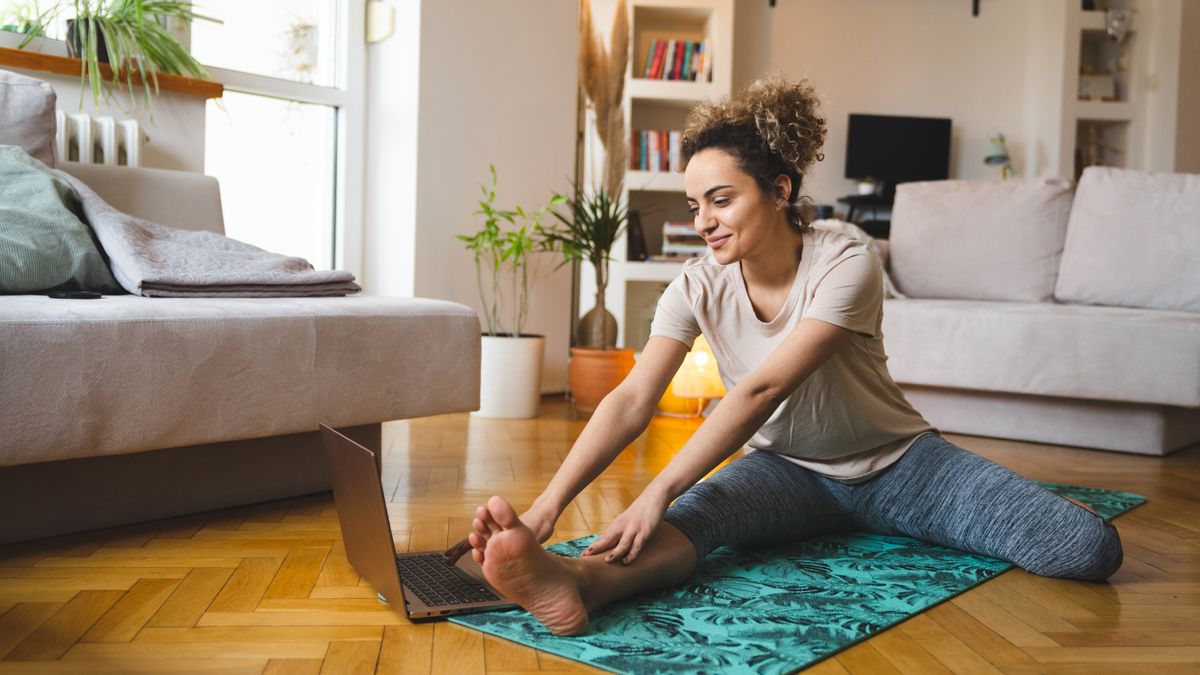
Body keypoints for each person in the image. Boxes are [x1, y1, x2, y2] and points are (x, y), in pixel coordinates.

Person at [447, 76, 1124, 637]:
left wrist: (656, 488)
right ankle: (577, 584)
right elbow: (630, 399)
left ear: (779, 190)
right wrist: (545, 510)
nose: (703, 219)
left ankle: (1036, 504)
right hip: (787, 471)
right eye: (694, 204)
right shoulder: (695, 283)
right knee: (692, 523)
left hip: (899, 464)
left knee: (1089, 549)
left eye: (721, 198)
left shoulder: (846, 257)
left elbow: (762, 389)